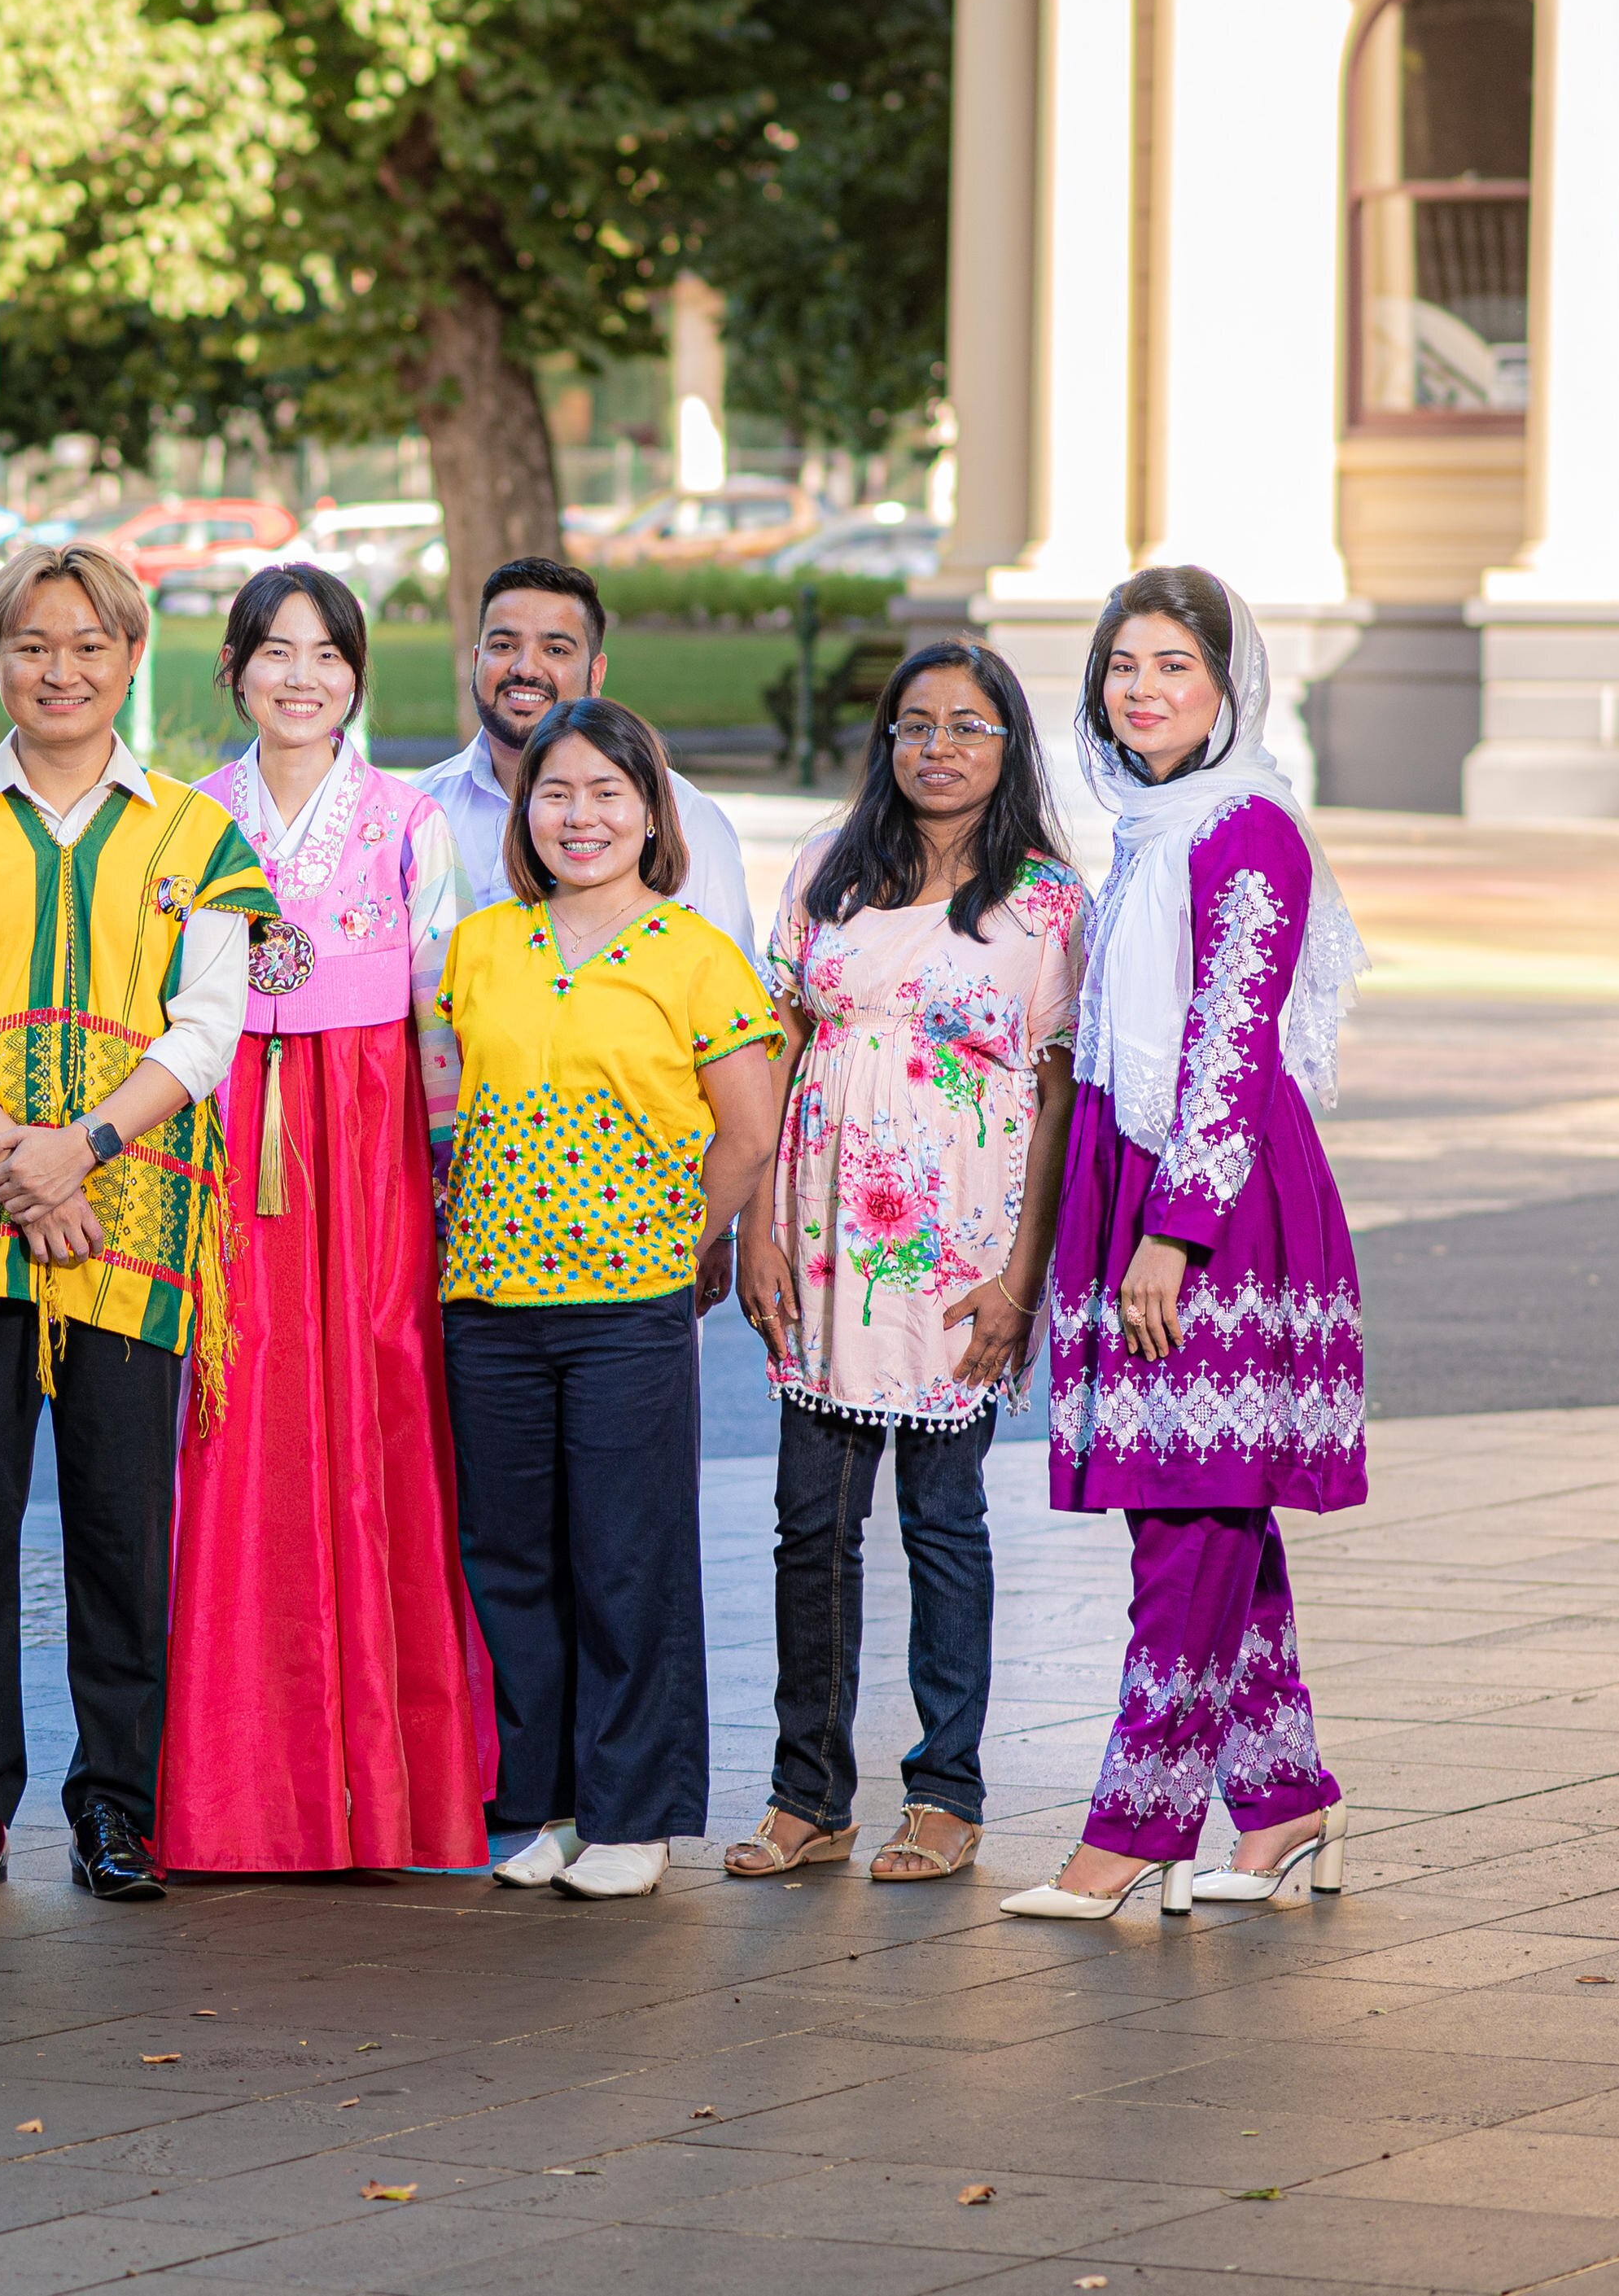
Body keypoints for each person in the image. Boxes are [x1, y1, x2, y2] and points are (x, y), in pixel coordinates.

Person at [0, 542, 276, 1906]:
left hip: (131, 1216)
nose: (62, 669)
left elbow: (208, 1025)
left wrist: (80, 1147)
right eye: (35, 644)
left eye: (90, 644)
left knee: (118, 1519)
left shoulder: (194, 836)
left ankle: (115, 1808)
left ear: (132, 660)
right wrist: (15, 1159)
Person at [1003, 569, 1368, 1922]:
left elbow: (1229, 1043)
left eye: (1173, 665)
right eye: (1121, 666)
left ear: (1229, 684)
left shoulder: (1247, 825)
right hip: (1144, 1183)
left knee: (1188, 1513)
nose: (1142, 689)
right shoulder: (1154, 828)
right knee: (1207, 1503)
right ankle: (1282, 1798)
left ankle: (1136, 1824)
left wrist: (1173, 1234)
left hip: (1213, 1211)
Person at [731, 643, 1086, 1888]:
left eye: (970, 726)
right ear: (885, 740)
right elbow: (771, 1042)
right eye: (916, 723)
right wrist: (756, 1224)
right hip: (822, 1242)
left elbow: (1054, 1103)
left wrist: (1020, 1281)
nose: (939, 746)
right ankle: (806, 1793)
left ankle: (946, 1793)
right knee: (807, 1528)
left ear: (1009, 748)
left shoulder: (1043, 902)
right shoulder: (828, 866)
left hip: (959, 1255)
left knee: (944, 1522)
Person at [164, 566, 495, 1876]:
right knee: (229, 1420)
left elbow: (443, 1017)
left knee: (381, 1414)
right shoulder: (190, 823)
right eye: (273, 652)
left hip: (369, 1140)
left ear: (359, 675)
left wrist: (448, 1166)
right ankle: (234, 1784)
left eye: (327, 655)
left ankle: (387, 1785)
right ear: (234, 672)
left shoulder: (409, 821)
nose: (301, 678)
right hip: (224, 1124)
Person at [437, 696, 781, 1901]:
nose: (579, 817)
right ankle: (549, 1805)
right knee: (511, 1560)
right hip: (486, 1303)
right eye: (555, 794)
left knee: (626, 1557)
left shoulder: (697, 953)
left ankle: (636, 1814)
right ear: (523, 815)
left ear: (651, 811)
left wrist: (672, 1244)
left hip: (629, 1308)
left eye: (606, 794)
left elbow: (747, 1132)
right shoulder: (484, 947)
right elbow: (443, 1110)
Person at [411, 557, 759, 1308]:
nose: (525, 666)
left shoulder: (686, 818)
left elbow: (738, 1055)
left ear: (595, 670)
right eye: (503, 644)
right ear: (474, 659)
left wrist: (712, 1230)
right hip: (480, 1256)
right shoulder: (412, 816)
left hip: (639, 1257)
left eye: (556, 648)